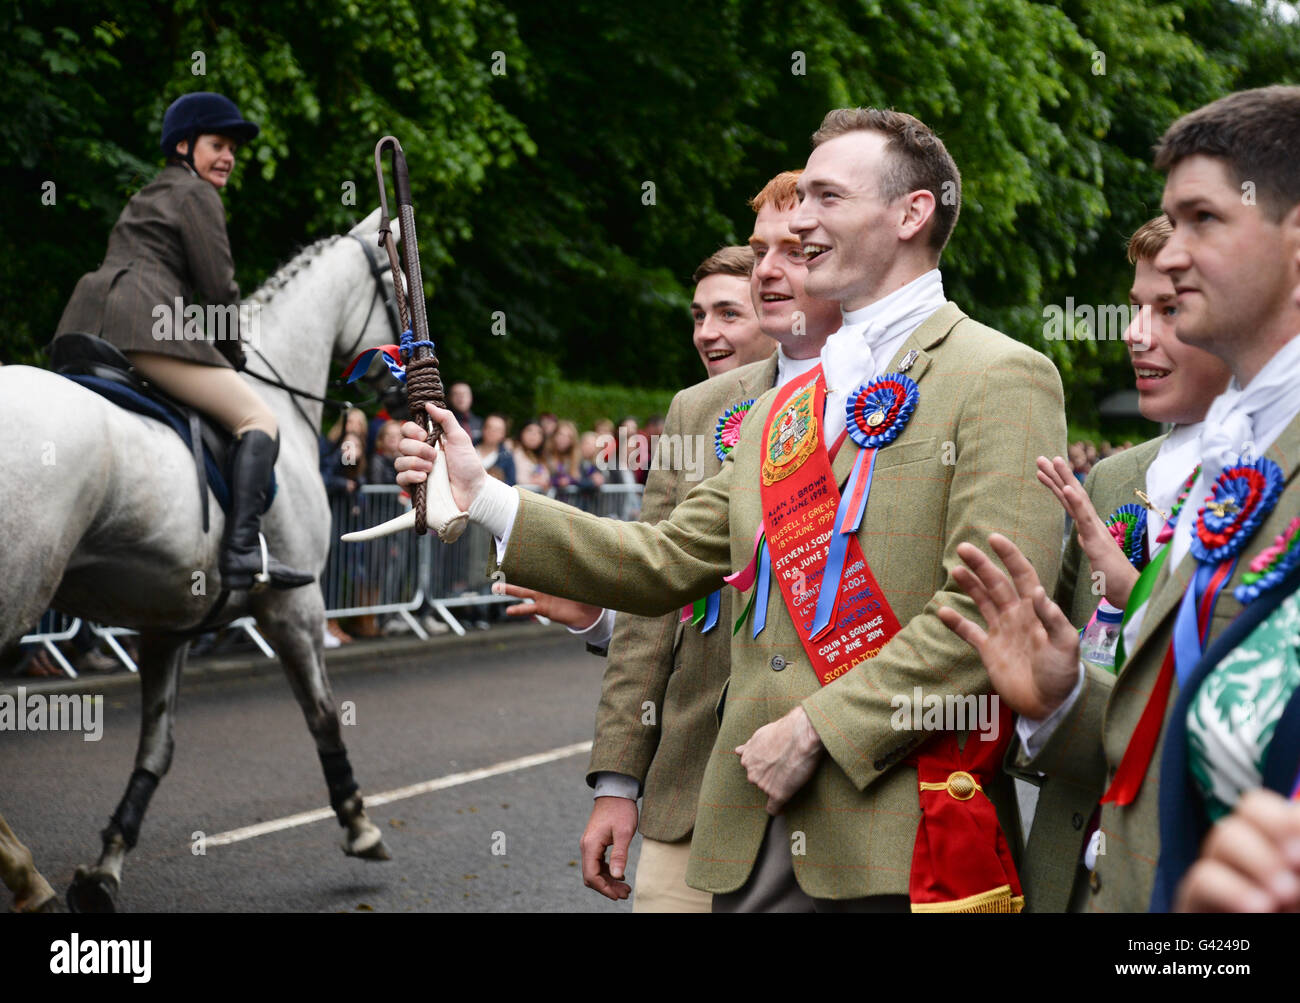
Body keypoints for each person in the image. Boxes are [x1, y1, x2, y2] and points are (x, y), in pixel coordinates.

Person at [400, 108, 1066, 912]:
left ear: (911, 213)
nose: (803, 217)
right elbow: (665, 558)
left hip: (905, 842)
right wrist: (485, 496)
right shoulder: (786, 410)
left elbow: (988, 613)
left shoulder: (1001, 374)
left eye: (826, 196)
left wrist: (817, 727)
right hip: (747, 842)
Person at [938, 86, 1300, 912]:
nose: (1170, 255)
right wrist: (1065, 697)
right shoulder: (1232, 448)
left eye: (1202, 220)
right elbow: (1188, 717)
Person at [1012, 216, 1231, 912]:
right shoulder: (1110, 480)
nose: (1134, 333)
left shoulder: (1276, 490)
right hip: (1066, 873)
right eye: (1134, 308)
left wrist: (1142, 600)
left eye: (1168, 309)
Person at [52, 91, 311, 591]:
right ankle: (241, 553)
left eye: (233, 148)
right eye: (218, 144)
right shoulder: (198, 196)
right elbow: (218, 291)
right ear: (184, 146)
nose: (229, 157)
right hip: (146, 326)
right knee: (259, 418)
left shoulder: (146, 193)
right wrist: (232, 356)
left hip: (85, 322)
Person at [476, 413, 516, 486]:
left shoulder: (507, 458)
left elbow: (511, 484)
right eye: (489, 427)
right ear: (483, 429)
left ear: (503, 434)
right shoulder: (469, 447)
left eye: (497, 430)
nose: (492, 432)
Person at [511, 421, 551, 491]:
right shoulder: (512, 449)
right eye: (529, 431)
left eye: (539, 433)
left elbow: (546, 480)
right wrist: (533, 482)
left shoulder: (541, 458)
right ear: (521, 432)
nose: (533, 435)